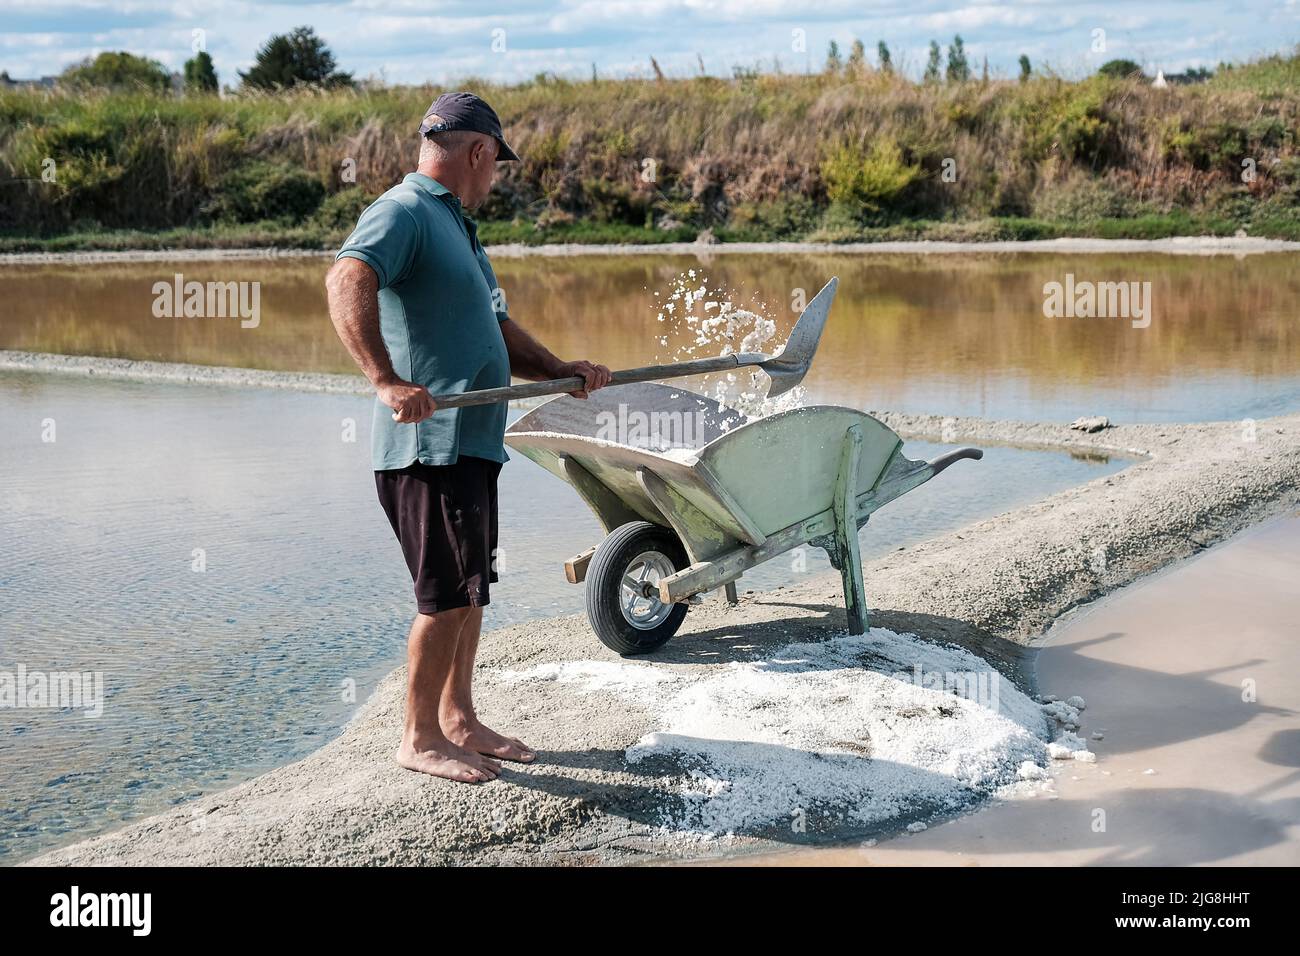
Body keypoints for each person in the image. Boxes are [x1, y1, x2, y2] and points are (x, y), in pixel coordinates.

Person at [325, 91, 611, 784]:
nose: (494, 177)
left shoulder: (458, 229)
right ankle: (419, 737)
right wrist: (386, 381)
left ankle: (459, 719)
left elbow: (496, 326)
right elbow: (347, 276)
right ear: (479, 151)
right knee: (446, 594)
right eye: (495, 165)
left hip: (473, 445)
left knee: (472, 589)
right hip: (430, 448)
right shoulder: (404, 211)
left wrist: (557, 369)